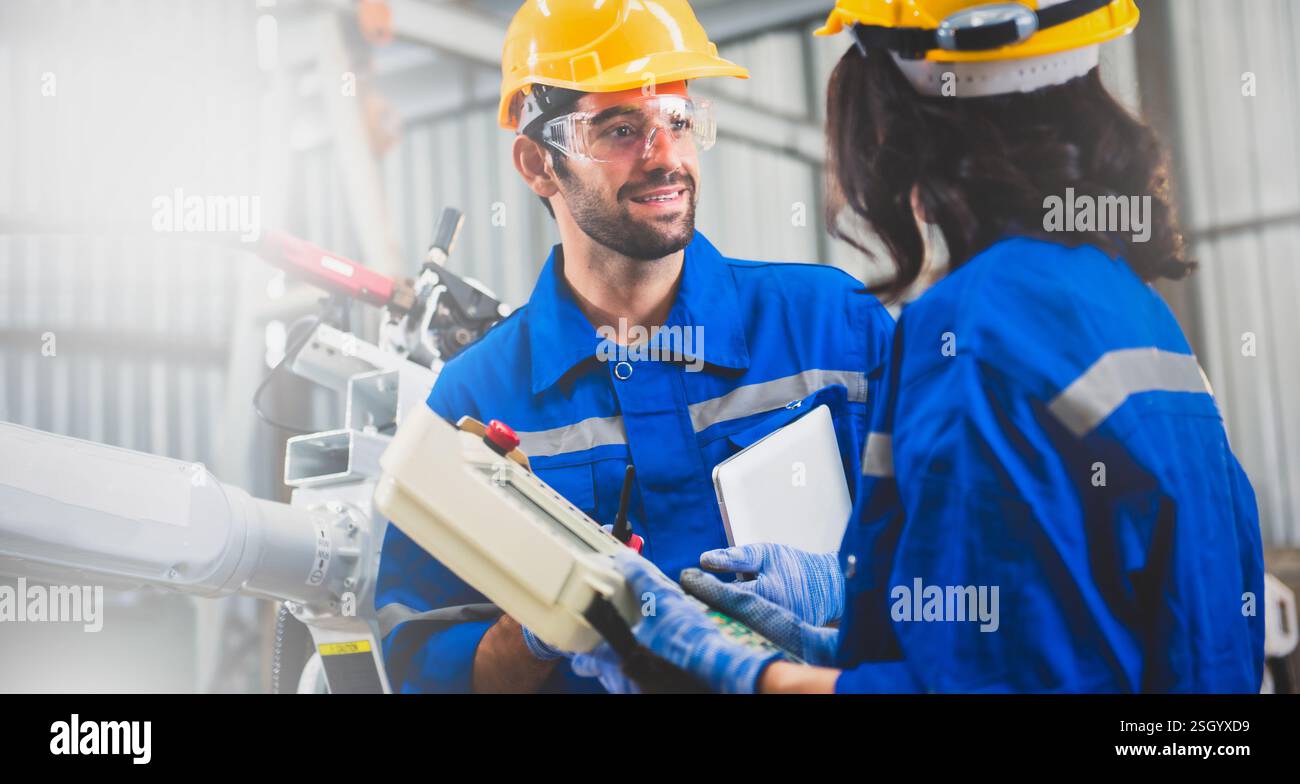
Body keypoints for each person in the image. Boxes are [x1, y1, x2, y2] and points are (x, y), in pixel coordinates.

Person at [577, 0, 1266, 694]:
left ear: (899, 113)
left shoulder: (977, 336)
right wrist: (846, 640)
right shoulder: (1128, 303)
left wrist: (757, 677)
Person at [375, 0, 895, 693]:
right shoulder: (472, 399)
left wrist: (844, 581)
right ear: (537, 163)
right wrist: (542, 620)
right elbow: (427, 675)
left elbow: (968, 568)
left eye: (678, 122)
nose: (666, 158)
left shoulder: (834, 327)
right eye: (621, 129)